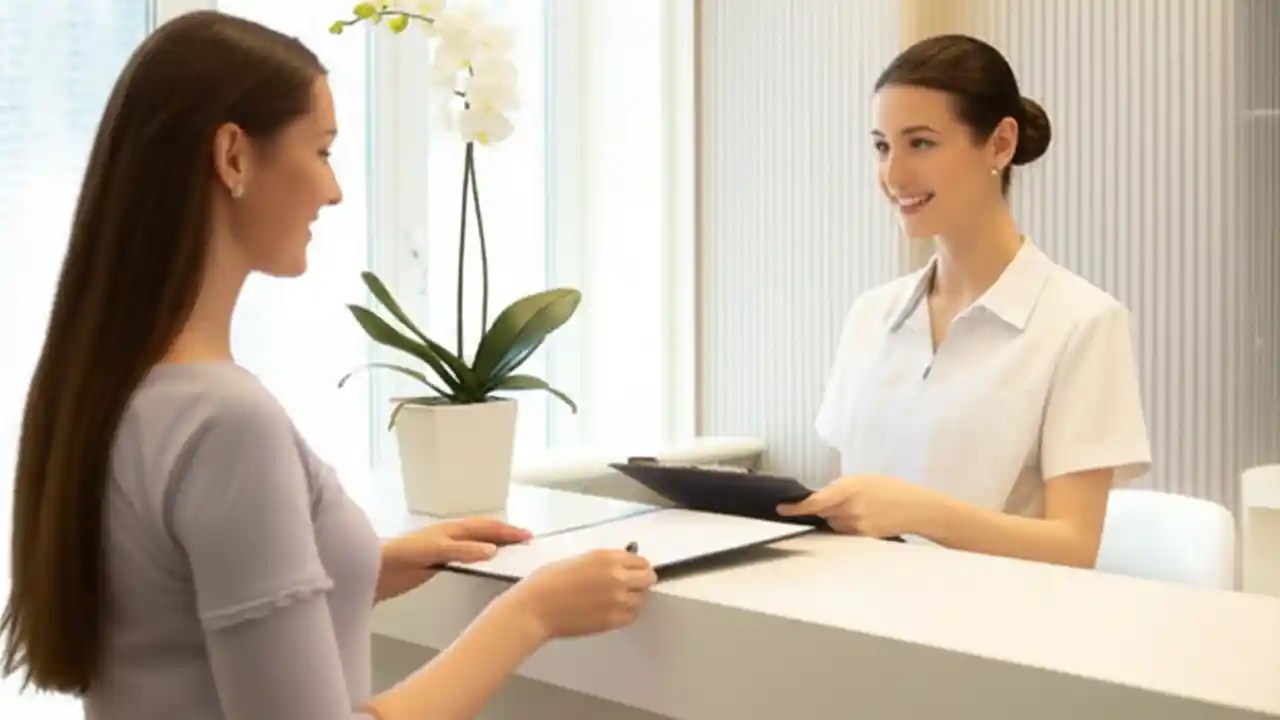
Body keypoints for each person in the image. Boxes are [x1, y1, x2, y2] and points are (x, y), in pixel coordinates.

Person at [0, 11, 655, 720]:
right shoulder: (228, 424)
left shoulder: (117, 391)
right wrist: (532, 613)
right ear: (233, 157)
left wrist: (364, 564)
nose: (333, 190)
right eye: (322, 152)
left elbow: (173, 609)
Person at [778, 34, 1152, 569]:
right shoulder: (871, 315)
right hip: (863, 620)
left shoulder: (1083, 323)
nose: (894, 175)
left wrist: (919, 513)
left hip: (994, 632)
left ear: (1000, 144)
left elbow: (1073, 547)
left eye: (921, 143)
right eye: (882, 146)